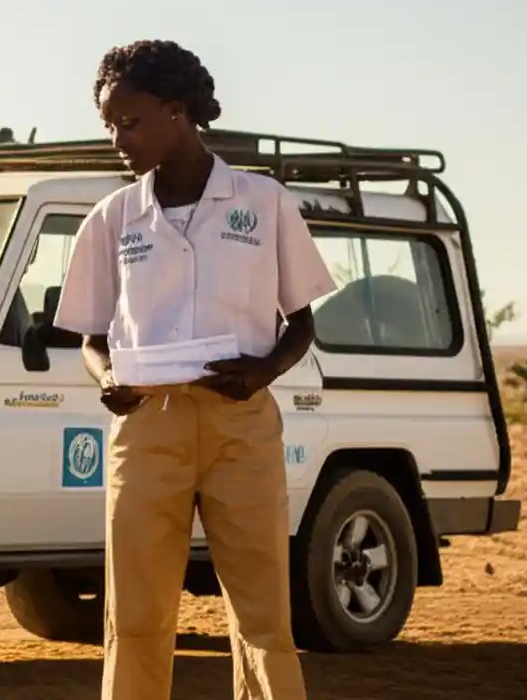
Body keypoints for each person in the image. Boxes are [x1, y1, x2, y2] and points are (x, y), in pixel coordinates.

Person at [53, 39, 338, 700]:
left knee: (264, 608)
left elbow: (302, 324)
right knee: (137, 612)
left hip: (241, 426)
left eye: (130, 122)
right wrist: (106, 382)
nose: (117, 140)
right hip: (147, 429)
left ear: (176, 111)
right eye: (108, 126)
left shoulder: (262, 203)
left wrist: (260, 372)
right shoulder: (111, 218)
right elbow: (94, 339)